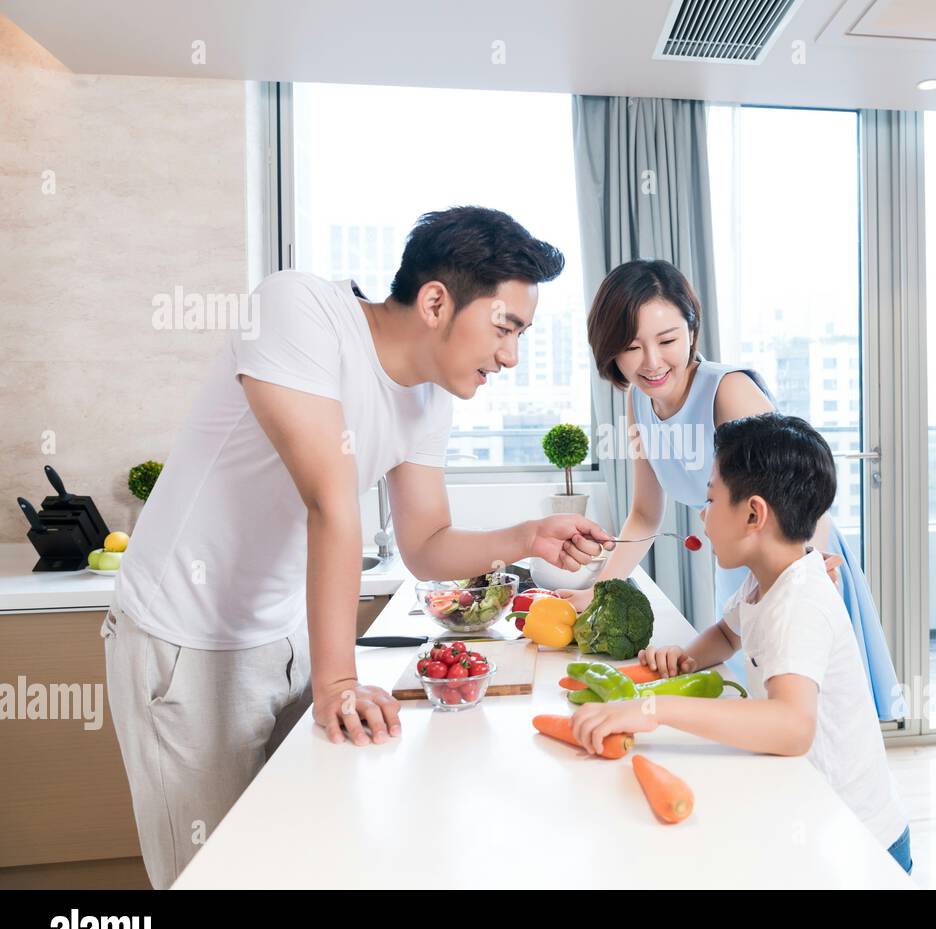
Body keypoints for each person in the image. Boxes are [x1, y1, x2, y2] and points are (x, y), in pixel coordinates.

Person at [105, 206, 611, 888]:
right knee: (212, 875)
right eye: (505, 327)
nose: (512, 355)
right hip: (186, 640)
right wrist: (340, 682)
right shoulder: (299, 310)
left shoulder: (430, 400)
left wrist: (526, 537)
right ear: (436, 301)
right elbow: (331, 504)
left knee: (306, 855)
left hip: (289, 633)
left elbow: (427, 543)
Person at [558, 259, 902, 721]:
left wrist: (800, 584)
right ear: (610, 352)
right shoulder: (636, 399)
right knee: (748, 696)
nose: (653, 362)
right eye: (632, 347)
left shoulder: (728, 392)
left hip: (795, 557)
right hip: (738, 558)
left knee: (810, 715)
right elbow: (644, 514)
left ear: (692, 330)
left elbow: (799, 490)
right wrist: (598, 595)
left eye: (667, 340)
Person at [570, 413, 912, 874]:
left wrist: (652, 710)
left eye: (710, 499)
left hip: (858, 842)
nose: (702, 513)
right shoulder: (767, 578)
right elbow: (730, 633)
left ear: (753, 514)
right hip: (815, 811)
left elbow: (792, 726)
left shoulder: (799, 604)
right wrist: (688, 656)